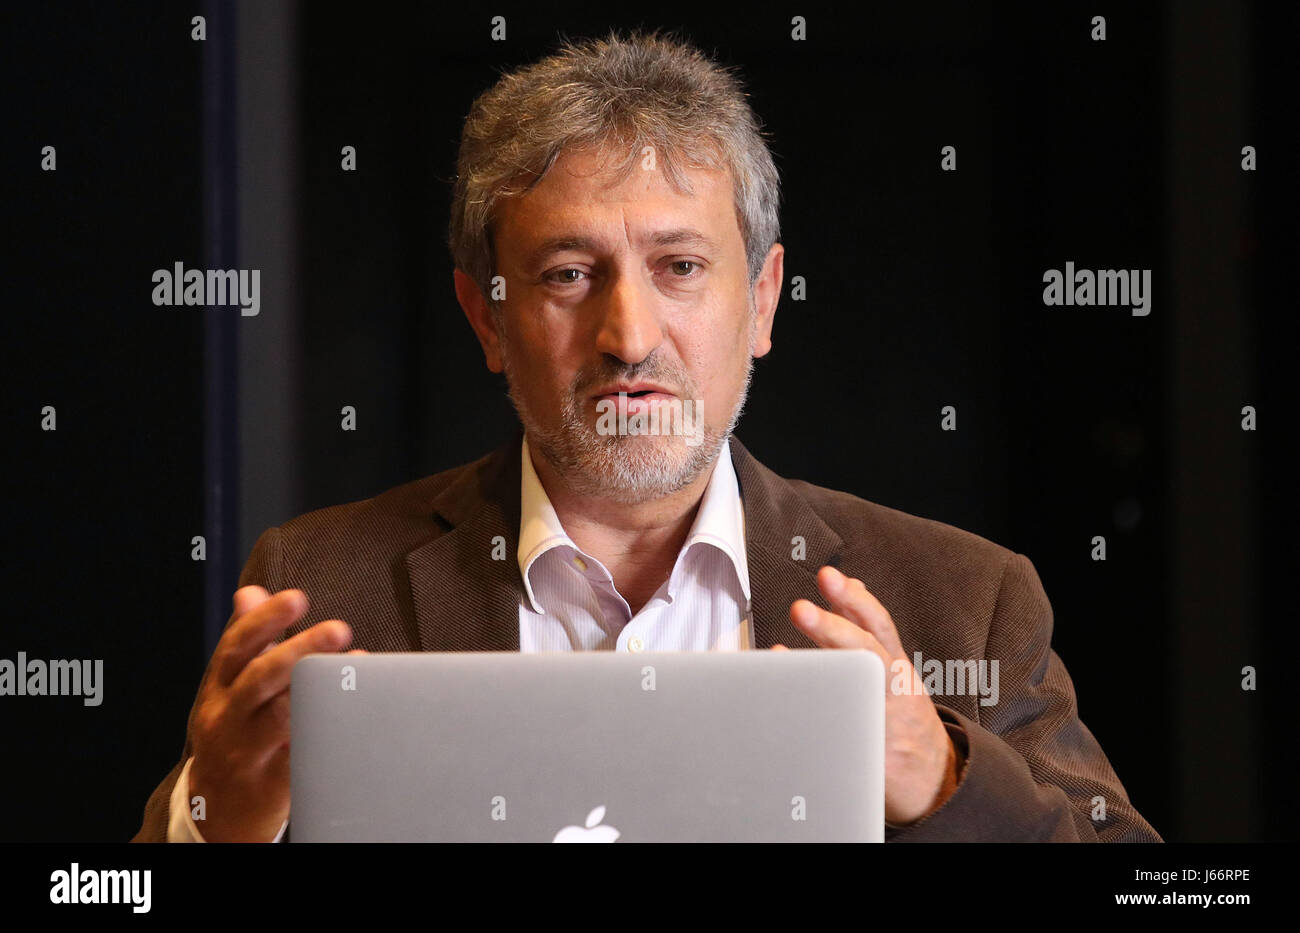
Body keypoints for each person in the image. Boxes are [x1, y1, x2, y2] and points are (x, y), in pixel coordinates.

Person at [133, 29, 1160, 843]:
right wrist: (212, 826)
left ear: (761, 301)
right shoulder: (321, 585)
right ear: (486, 316)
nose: (627, 338)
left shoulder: (965, 601)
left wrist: (939, 781)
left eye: (678, 267)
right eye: (568, 274)